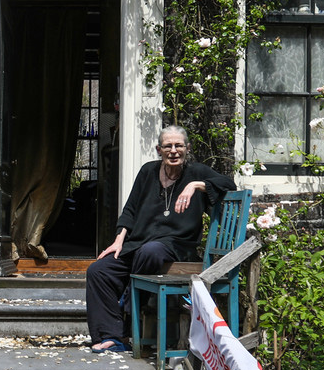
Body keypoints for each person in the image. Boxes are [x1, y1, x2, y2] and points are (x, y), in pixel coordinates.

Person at [86, 125, 236, 353]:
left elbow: (229, 184)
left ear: (187, 148)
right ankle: (111, 335)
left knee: (151, 251)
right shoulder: (148, 172)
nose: (174, 151)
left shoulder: (196, 173)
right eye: (168, 146)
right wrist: (118, 240)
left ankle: (127, 310)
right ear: (159, 149)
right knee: (98, 271)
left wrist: (195, 186)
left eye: (179, 146)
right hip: (138, 246)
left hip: (176, 247)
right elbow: (130, 209)